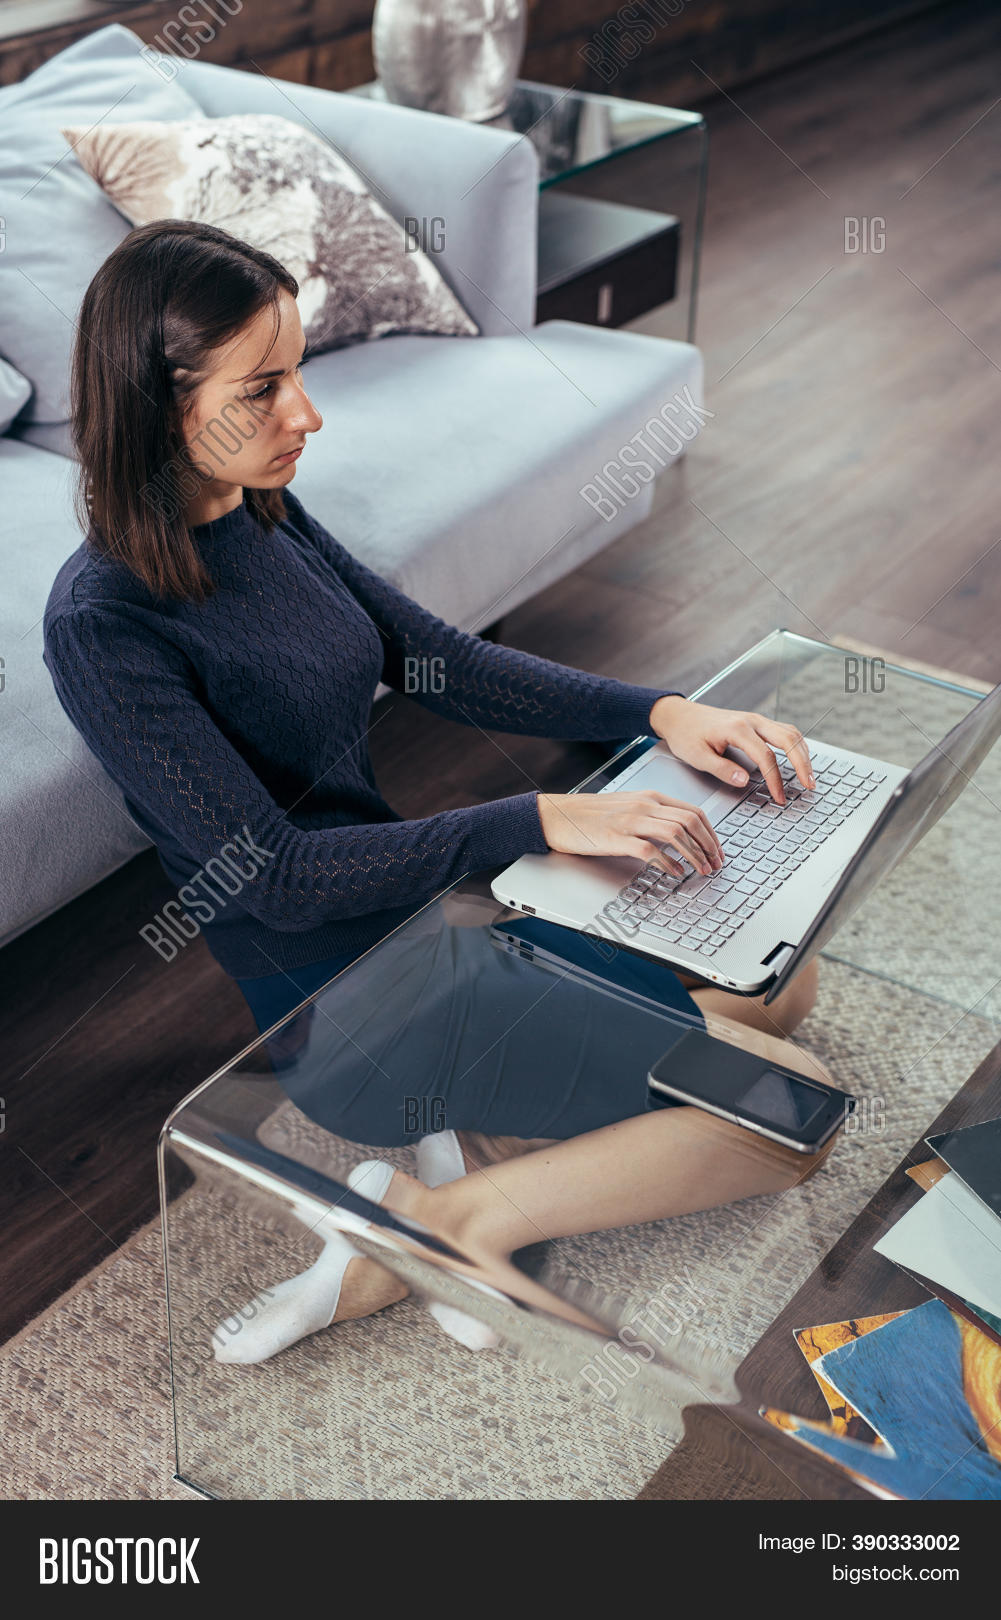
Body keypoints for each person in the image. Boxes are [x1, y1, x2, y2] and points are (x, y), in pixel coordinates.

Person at [43, 220, 836, 1362]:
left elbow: (439, 662)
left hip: (434, 912)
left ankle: (473, 1165)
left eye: (297, 373)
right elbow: (275, 875)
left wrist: (660, 711)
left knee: (779, 982)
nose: (305, 415)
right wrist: (535, 817)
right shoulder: (103, 626)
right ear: (158, 404)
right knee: (790, 1115)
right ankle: (444, 1226)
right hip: (347, 1010)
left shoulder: (260, 511)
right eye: (262, 389)